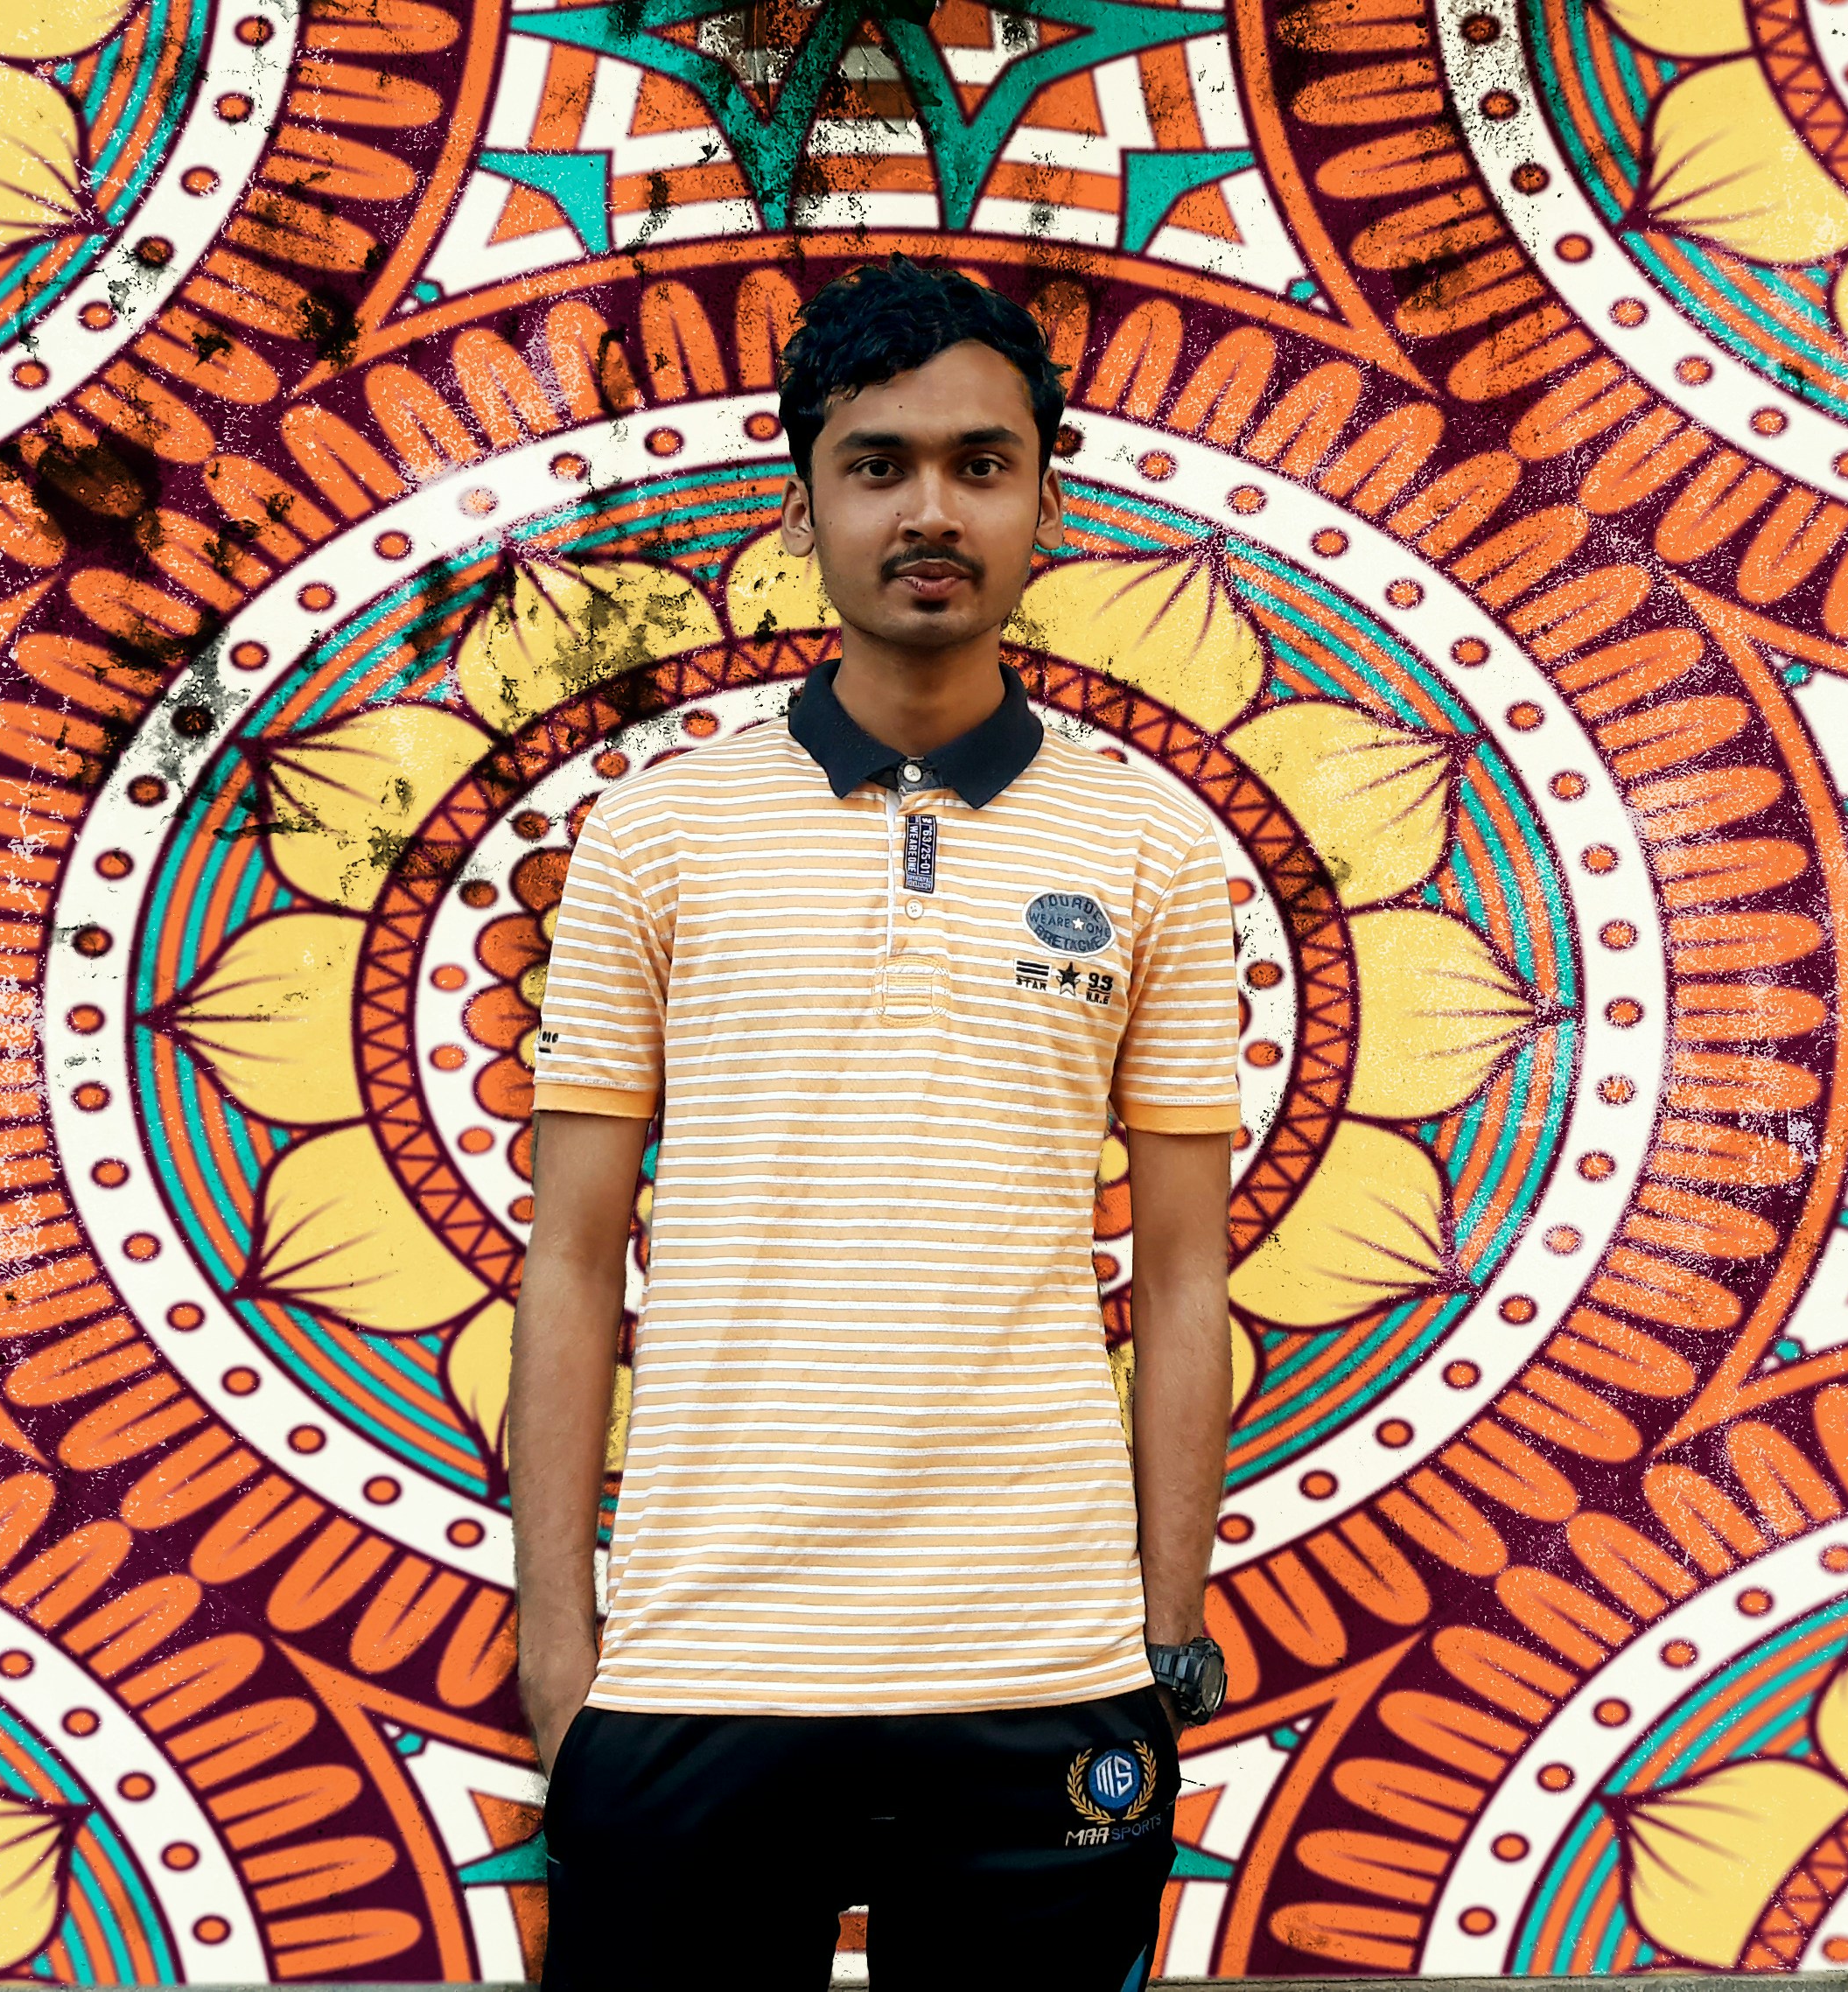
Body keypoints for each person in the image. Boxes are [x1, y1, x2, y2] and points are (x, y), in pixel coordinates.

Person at [509, 256, 1239, 1990]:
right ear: (808, 500)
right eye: (879, 462)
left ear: (1046, 501)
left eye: (982, 463)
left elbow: (1194, 1267)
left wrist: (1164, 1625)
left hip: (1046, 1669)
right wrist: (560, 1647)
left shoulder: (1153, 850)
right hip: (700, 1666)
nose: (931, 508)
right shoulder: (654, 837)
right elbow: (571, 1253)